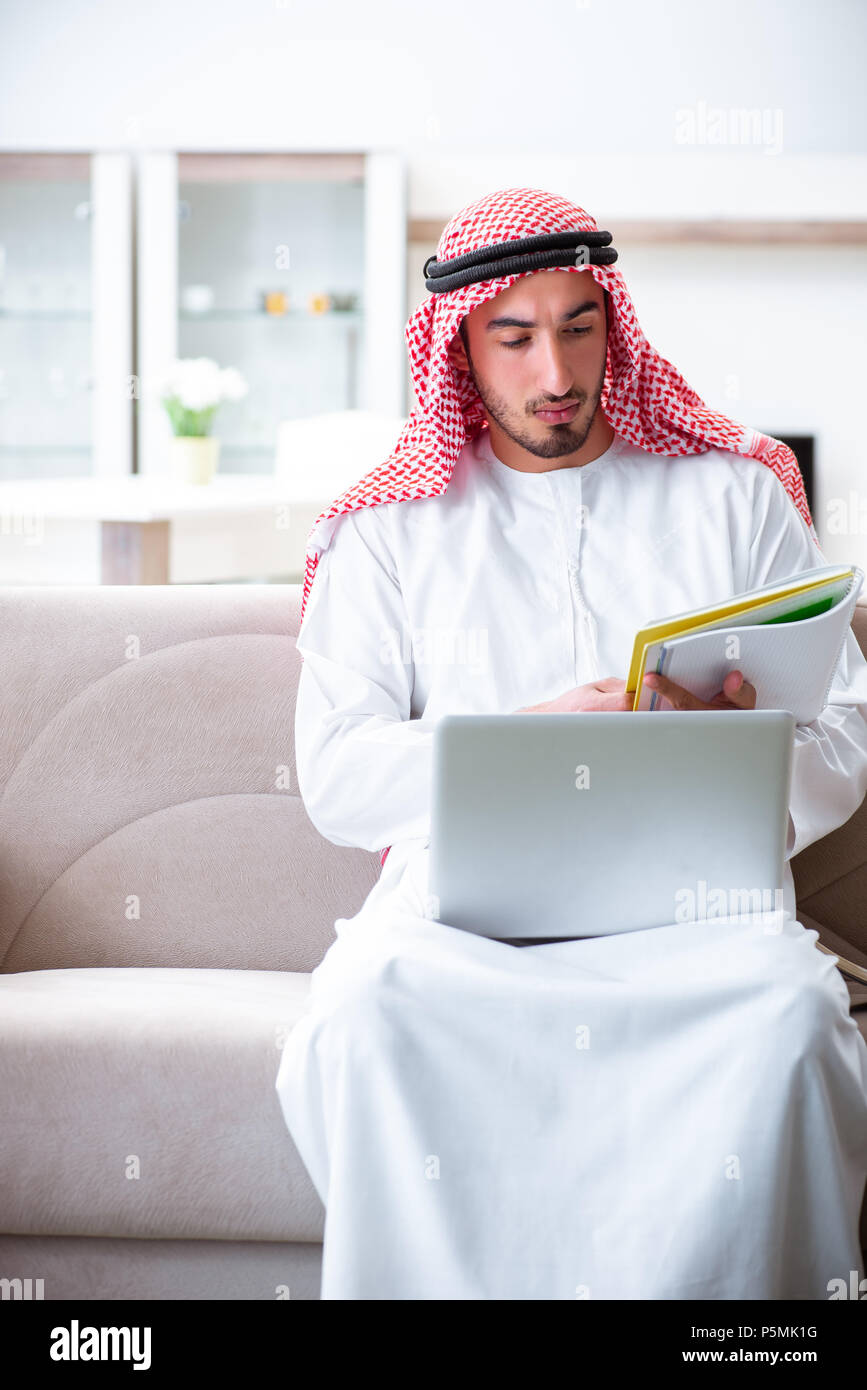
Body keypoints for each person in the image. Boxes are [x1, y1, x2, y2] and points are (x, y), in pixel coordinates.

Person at [274, 187, 867, 1300]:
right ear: (460, 347)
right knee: (361, 1017)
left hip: (704, 922)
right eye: (516, 337)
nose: (557, 372)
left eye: (581, 328)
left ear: (614, 324)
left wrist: (731, 755)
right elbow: (340, 777)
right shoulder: (386, 533)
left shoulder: (734, 498)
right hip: (461, 925)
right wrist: (533, 736)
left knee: (792, 1021)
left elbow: (845, 726)